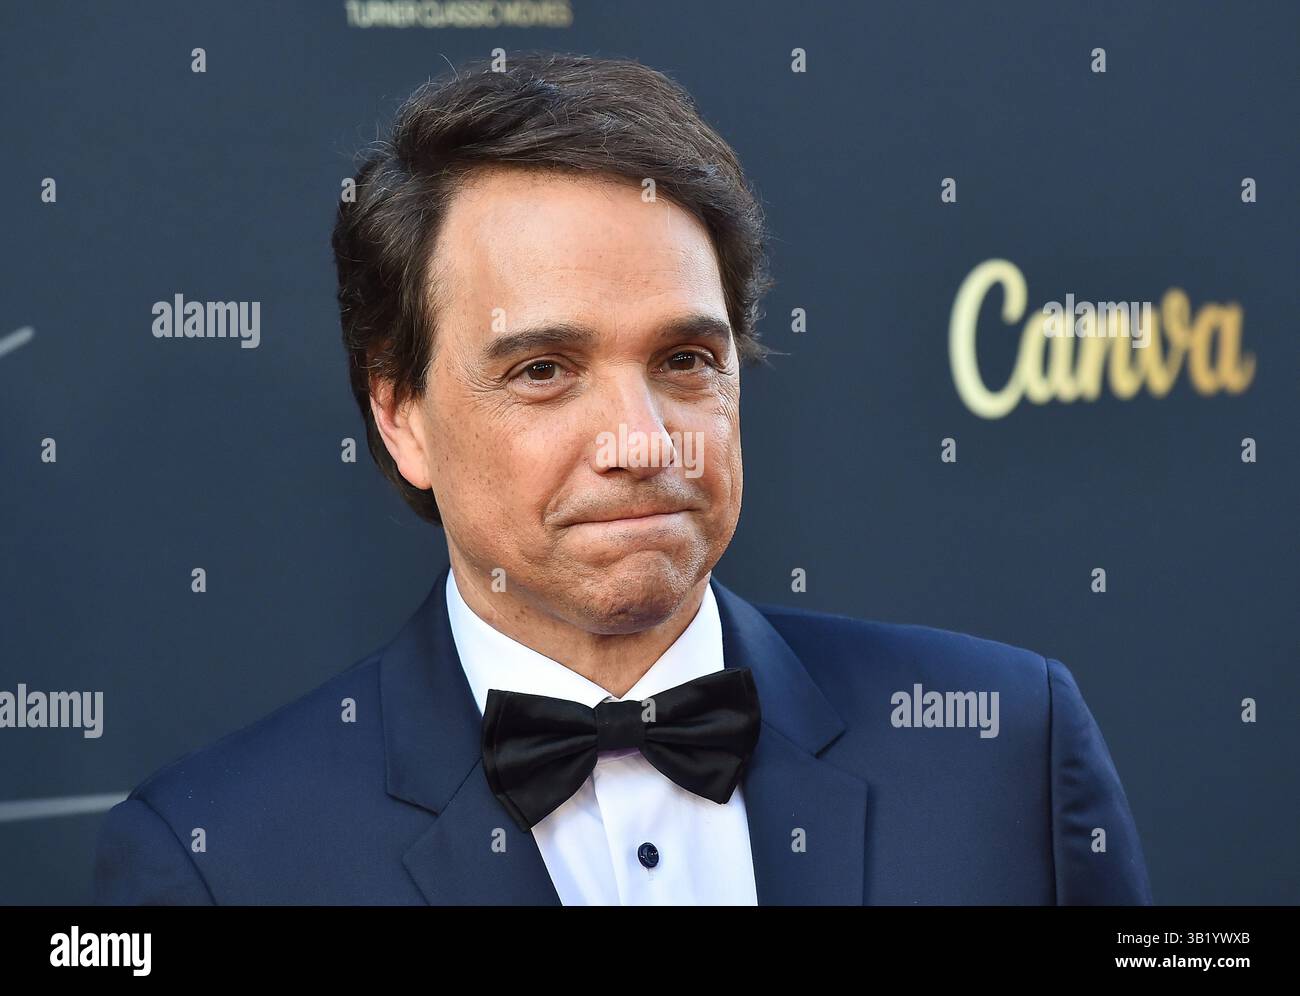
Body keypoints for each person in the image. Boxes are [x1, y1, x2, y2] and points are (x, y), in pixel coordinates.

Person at [93, 51, 1151, 905]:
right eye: (544, 371)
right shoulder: (212, 861)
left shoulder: (1002, 744)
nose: (643, 443)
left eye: (683, 362)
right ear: (399, 414)